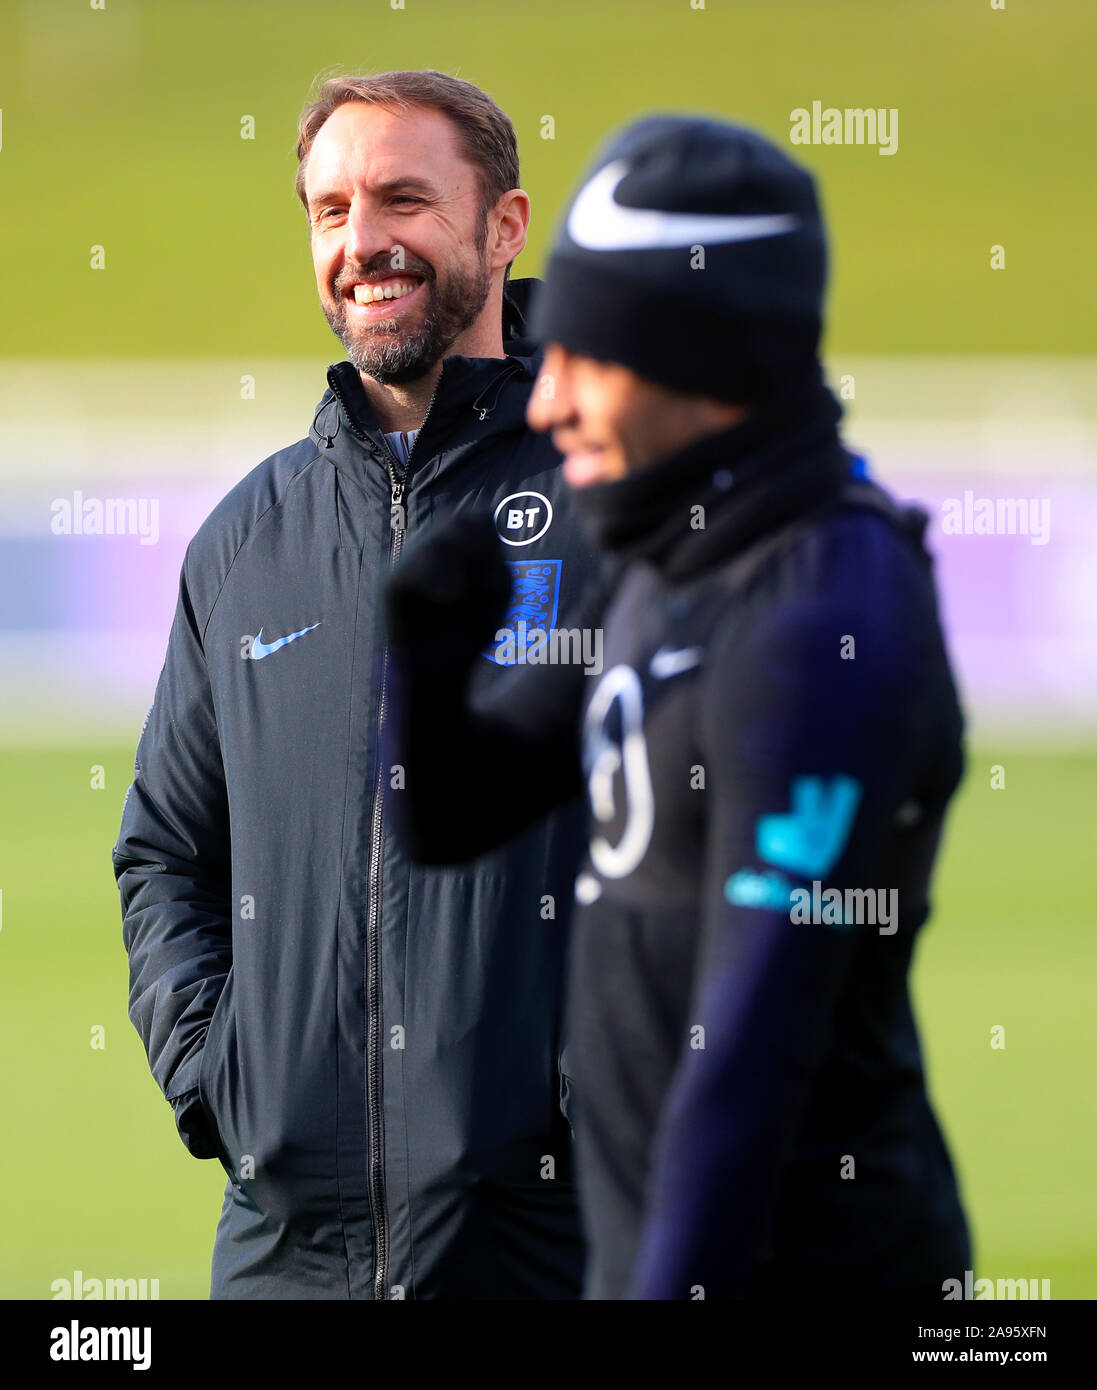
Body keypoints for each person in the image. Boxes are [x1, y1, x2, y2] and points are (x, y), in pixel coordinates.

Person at [386, 114, 971, 1298]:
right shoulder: (670, 559)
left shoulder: (825, 610)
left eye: (589, 358)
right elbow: (448, 818)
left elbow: (754, 1051)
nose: (544, 406)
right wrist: (425, 665)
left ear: (702, 363)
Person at [113, 70, 599, 1300]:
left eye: (400, 200)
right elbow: (167, 851)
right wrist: (221, 1078)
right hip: (285, 1253)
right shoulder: (245, 539)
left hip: (551, 1249)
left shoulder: (623, 512)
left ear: (501, 226)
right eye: (329, 210)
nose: (361, 242)